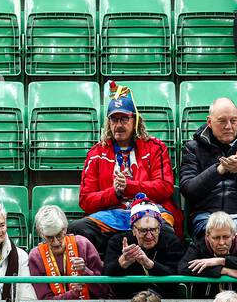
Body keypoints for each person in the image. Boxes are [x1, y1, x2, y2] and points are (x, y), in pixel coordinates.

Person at [69, 83, 179, 252]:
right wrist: (115, 192)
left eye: (124, 119)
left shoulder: (155, 147)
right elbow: (86, 200)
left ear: (135, 121)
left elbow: (165, 188)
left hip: (150, 211)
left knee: (164, 231)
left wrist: (129, 186)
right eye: (114, 119)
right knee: (77, 229)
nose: (118, 125)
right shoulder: (96, 153)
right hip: (113, 215)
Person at [178, 97, 237, 241]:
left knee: (231, 235)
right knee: (215, 235)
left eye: (233, 121)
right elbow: (189, 190)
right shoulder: (193, 148)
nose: (228, 126)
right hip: (205, 215)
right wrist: (218, 170)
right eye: (222, 121)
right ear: (209, 122)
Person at [102, 197, 186, 299]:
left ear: (159, 228)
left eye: (153, 230)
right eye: (143, 230)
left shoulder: (171, 241)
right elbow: (106, 275)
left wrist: (150, 265)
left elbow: (177, 275)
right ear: (133, 230)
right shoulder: (118, 241)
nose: (149, 236)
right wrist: (122, 262)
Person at [179, 211, 237, 302]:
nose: (221, 243)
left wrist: (222, 261)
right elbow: (183, 267)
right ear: (207, 236)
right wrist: (223, 270)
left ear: (234, 234)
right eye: (216, 238)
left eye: (226, 237)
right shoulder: (199, 245)